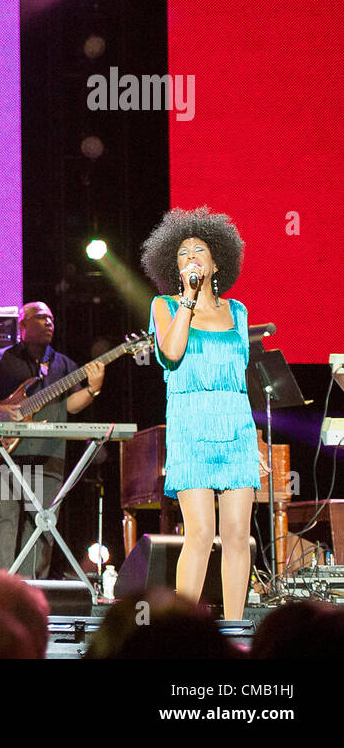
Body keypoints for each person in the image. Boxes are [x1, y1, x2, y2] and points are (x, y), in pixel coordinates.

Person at [142, 206, 258, 620]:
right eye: (182, 254)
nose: (190, 257)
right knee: (201, 534)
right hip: (191, 429)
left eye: (198, 251)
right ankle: (181, 632)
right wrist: (187, 300)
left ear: (215, 262)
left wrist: (251, 438)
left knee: (237, 536)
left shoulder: (238, 312)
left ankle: (235, 627)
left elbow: (238, 377)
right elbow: (171, 353)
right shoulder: (164, 306)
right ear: (174, 267)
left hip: (236, 431)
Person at [0, 301, 105, 577]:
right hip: (5, 456)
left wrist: (93, 390)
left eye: (51, 318)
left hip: (49, 456)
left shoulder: (63, 365)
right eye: (40, 317)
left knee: (42, 527)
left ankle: (30, 593)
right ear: (22, 325)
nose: (49, 322)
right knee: (3, 523)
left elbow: (71, 406)